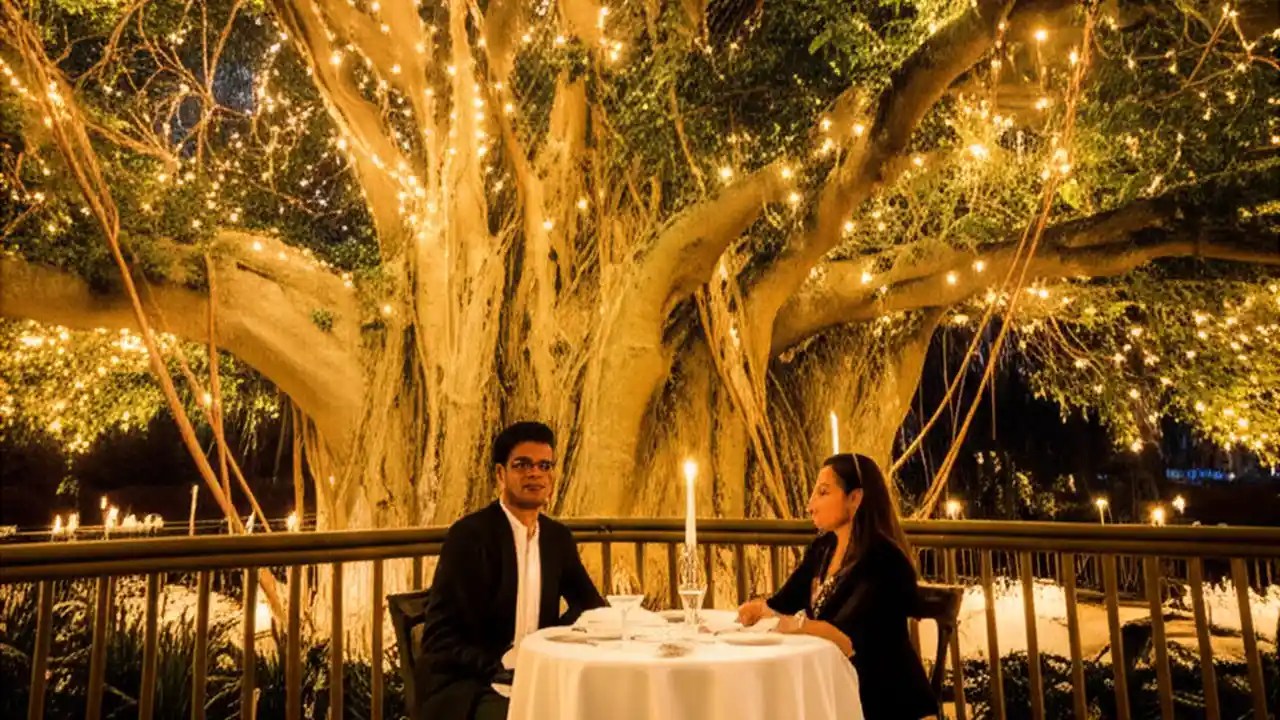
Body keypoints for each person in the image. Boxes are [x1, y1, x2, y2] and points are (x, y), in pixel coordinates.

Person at [417, 421, 607, 720]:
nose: (535, 473)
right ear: (500, 474)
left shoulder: (556, 538)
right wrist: (501, 665)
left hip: (538, 676)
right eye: (522, 465)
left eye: (544, 466)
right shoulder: (470, 536)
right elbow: (439, 637)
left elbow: (591, 605)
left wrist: (551, 641)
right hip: (473, 685)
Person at [737, 453, 937, 720]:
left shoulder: (883, 559)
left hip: (889, 702)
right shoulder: (824, 548)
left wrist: (797, 625)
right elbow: (784, 603)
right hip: (840, 692)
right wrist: (759, 609)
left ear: (855, 498)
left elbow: (847, 639)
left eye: (823, 492)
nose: (810, 505)